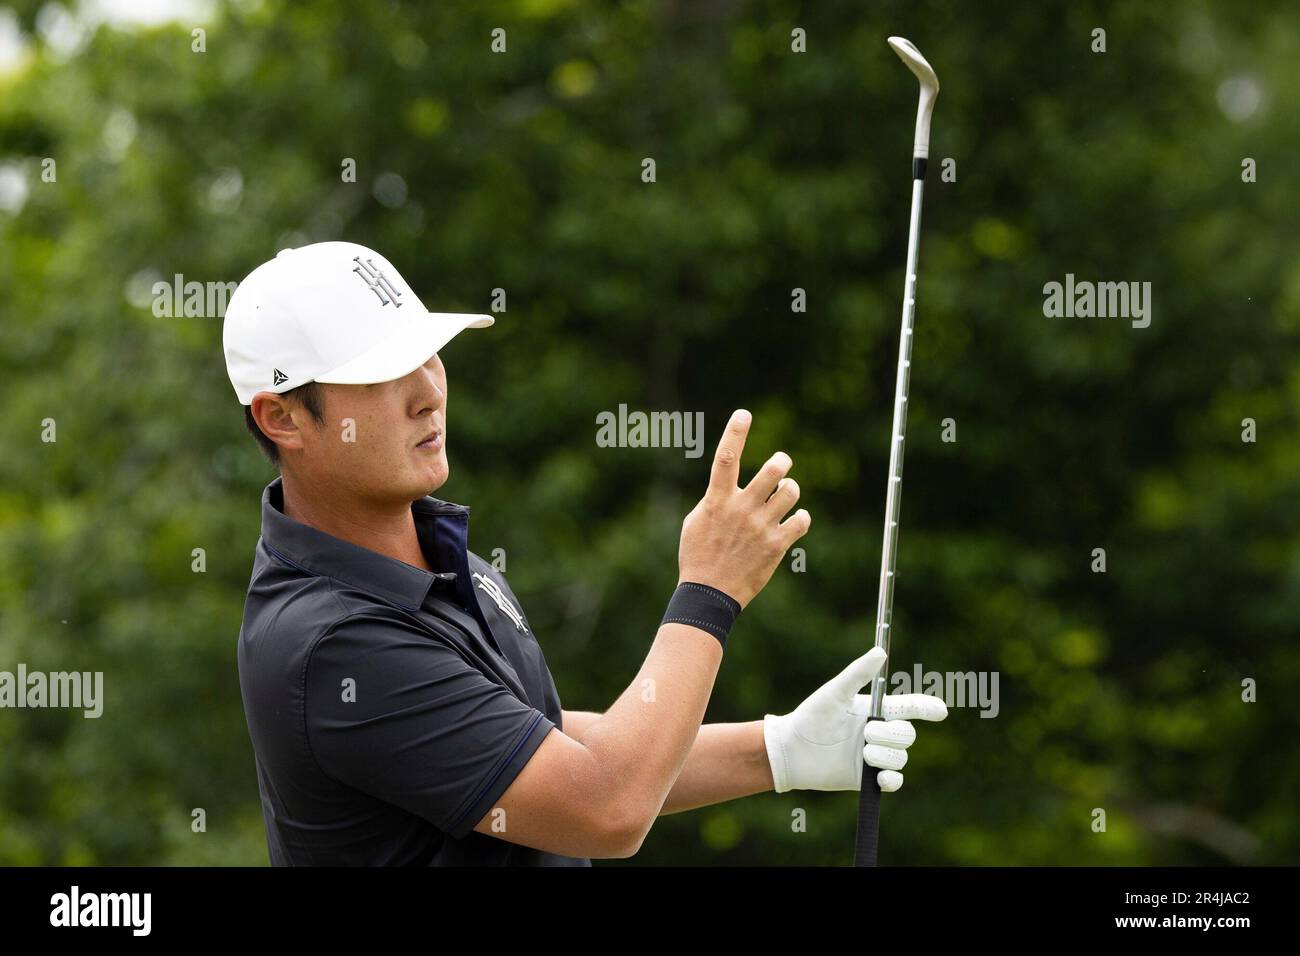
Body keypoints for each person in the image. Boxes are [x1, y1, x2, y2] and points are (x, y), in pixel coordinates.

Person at [223, 241, 948, 866]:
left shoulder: (444, 560)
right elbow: (606, 805)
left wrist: (775, 751)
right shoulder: (331, 642)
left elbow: (535, 746)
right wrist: (710, 590)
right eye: (382, 374)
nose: (427, 393)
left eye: (429, 356)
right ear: (282, 417)